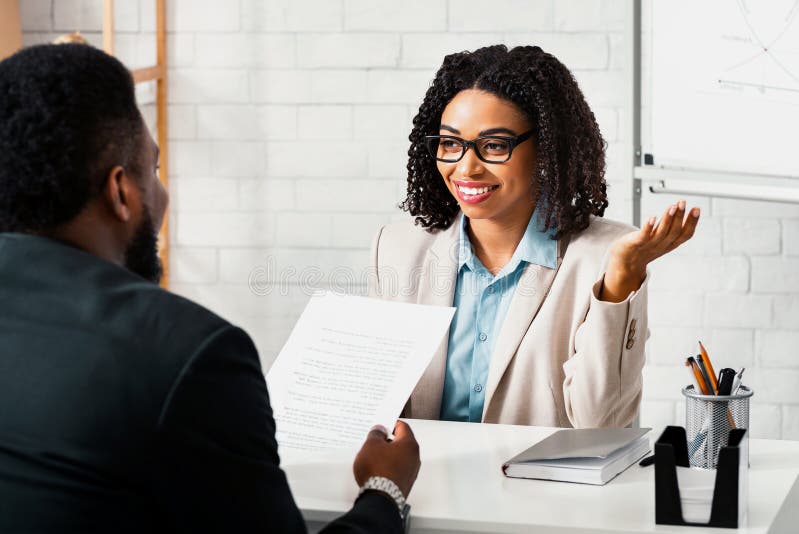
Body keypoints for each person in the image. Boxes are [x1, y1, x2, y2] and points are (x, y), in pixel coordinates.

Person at [0, 44, 419, 533]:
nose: (161, 193)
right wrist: (385, 491)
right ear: (120, 193)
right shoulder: (189, 354)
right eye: (151, 171)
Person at [370, 45, 699, 428]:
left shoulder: (603, 257)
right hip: (423, 482)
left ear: (545, 148)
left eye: (494, 145)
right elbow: (379, 407)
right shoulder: (397, 249)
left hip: (540, 487)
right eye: (450, 143)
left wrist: (621, 281)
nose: (466, 167)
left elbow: (600, 426)